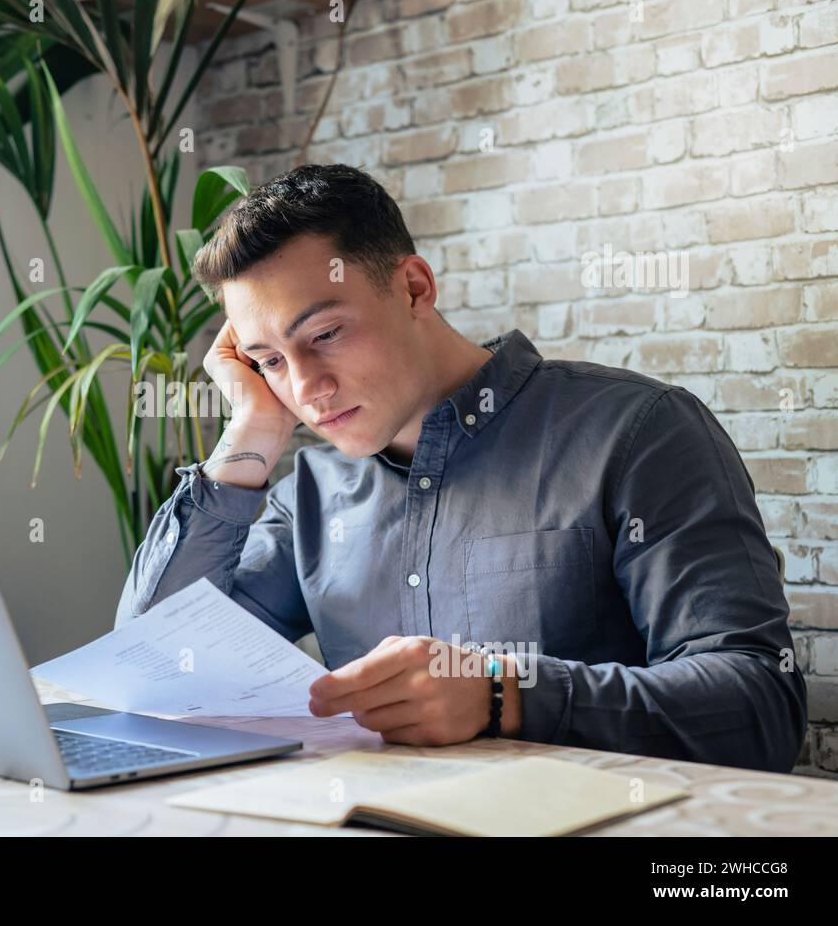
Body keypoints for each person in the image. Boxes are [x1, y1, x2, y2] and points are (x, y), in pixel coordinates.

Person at [114, 163, 806, 773]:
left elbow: (759, 705)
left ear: (414, 287)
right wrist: (252, 428)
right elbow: (157, 670)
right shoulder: (311, 497)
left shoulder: (637, 432)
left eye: (324, 335)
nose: (306, 387)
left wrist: (505, 694)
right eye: (268, 360)